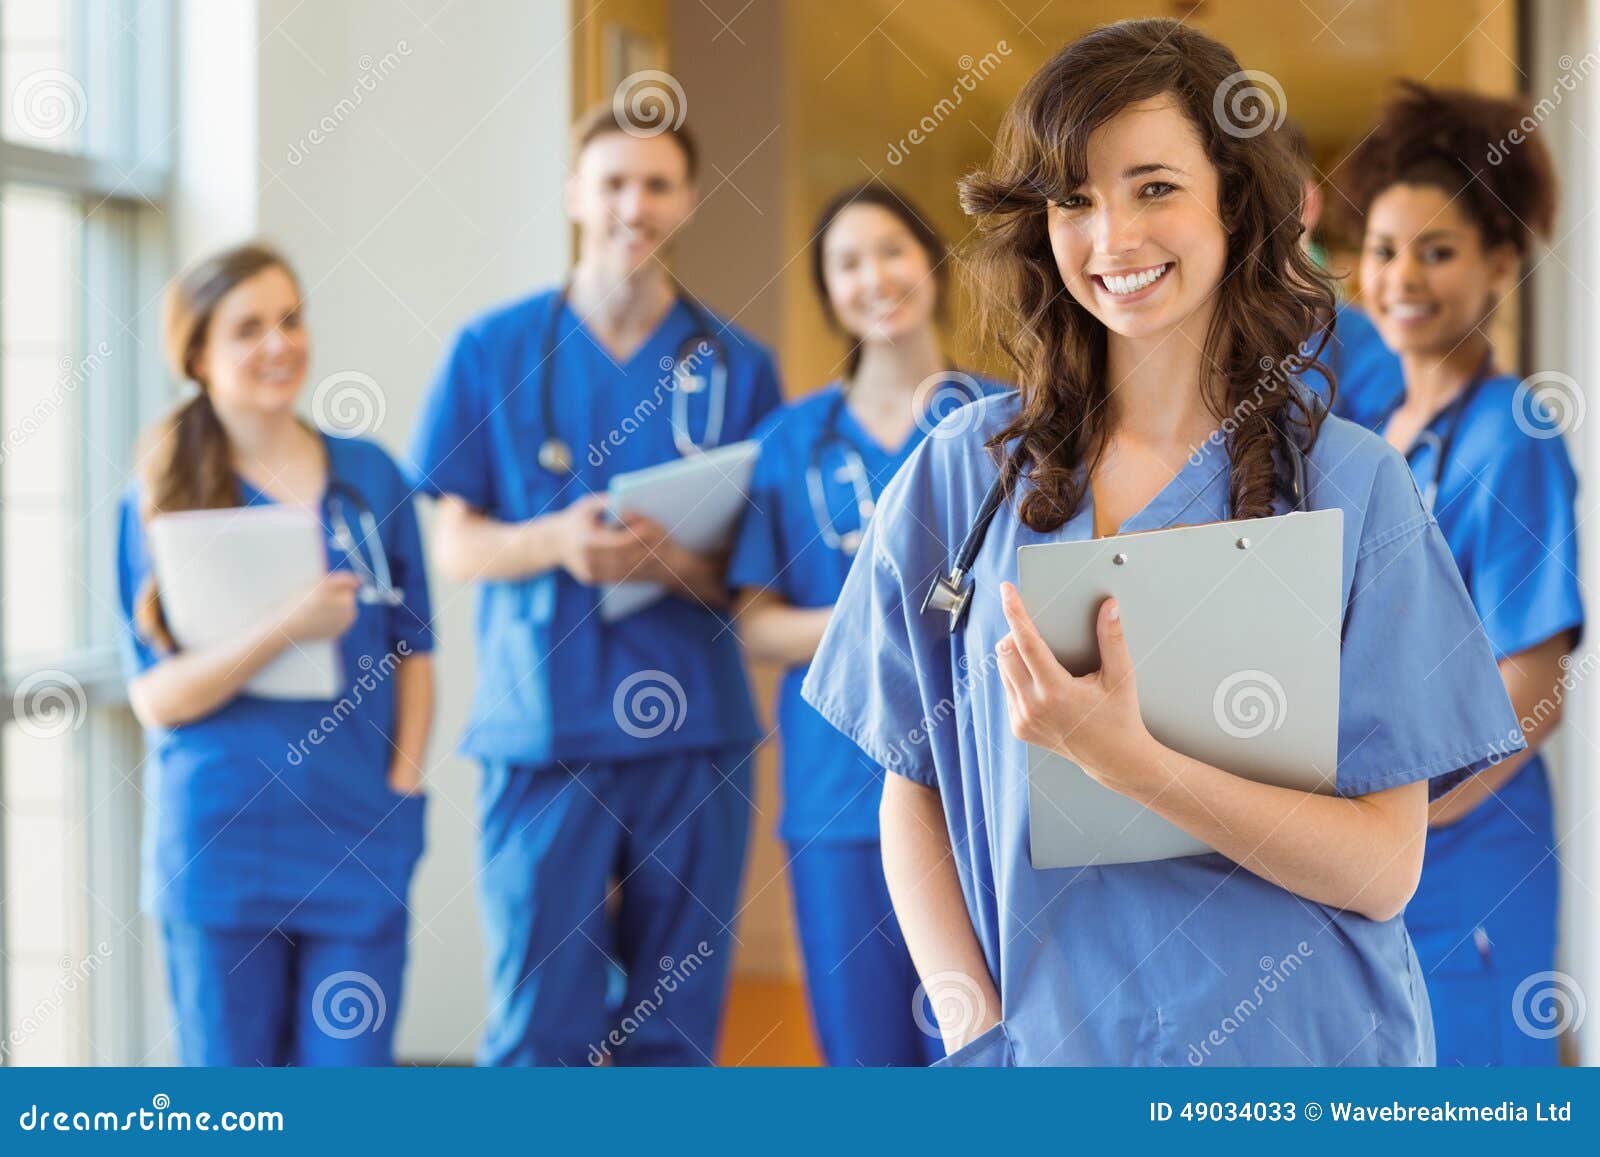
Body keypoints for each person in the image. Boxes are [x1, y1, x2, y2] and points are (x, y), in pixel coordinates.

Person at [800, 19, 1523, 1066]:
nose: (1112, 238)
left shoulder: (1350, 485)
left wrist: (1130, 761)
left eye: (1153, 187)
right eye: (1074, 199)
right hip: (1048, 1057)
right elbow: (910, 781)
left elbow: (1382, 868)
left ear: (1233, 202)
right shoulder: (965, 471)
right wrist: (971, 1020)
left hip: (1300, 1055)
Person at [408, 105, 782, 1066]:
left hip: (692, 733)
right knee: (539, 1023)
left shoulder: (739, 367)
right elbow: (454, 544)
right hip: (546, 727)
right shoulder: (491, 349)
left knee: (675, 1027)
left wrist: (676, 565)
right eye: (612, 182)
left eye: (656, 184)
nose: (633, 205)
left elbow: (762, 571)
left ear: (687, 200)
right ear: (575, 194)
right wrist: (556, 542)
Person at [117, 243, 434, 1066]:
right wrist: (285, 627)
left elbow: (416, 651)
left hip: (359, 832)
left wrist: (402, 787)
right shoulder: (160, 499)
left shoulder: (370, 476)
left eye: (290, 319)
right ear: (197, 354)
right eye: (248, 327)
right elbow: (158, 697)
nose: (278, 344)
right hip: (221, 845)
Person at [728, 183, 1007, 1066]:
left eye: (892, 249)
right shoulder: (789, 441)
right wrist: (890, 629)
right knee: (864, 1056)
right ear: (827, 291)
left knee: (986, 1049)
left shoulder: (1006, 420)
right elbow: (755, 626)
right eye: (846, 263)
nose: (874, 276)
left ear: (931, 262)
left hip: (984, 789)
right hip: (836, 798)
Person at [1337, 82, 1583, 1066]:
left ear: (1497, 264)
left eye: (1436, 252)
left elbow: (1536, 681)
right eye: (1384, 250)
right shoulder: (1373, 424)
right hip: (1375, 843)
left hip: (1466, 846)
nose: (1403, 277)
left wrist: (1420, 820)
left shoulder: (1511, 432)